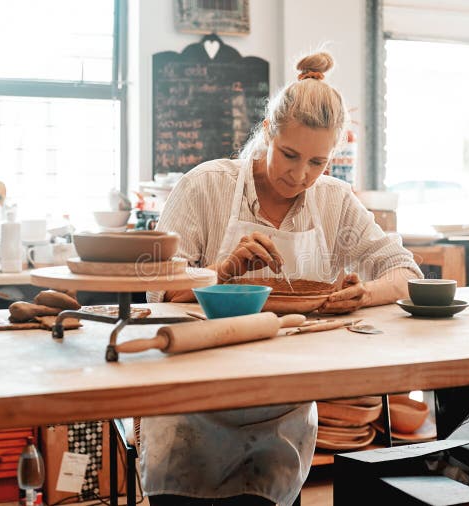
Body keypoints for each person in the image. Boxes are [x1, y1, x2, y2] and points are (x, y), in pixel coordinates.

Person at [141, 51, 422, 506]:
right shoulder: (205, 185)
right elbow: (156, 289)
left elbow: (404, 272)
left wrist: (362, 293)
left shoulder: (334, 201)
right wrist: (224, 270)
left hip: (283, 414)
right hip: (194, 409)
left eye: (318, 162)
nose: (300, 174)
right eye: (290, 154)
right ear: (267, 132)